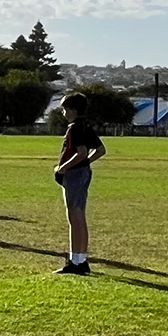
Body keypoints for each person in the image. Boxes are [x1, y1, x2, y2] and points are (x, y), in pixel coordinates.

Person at [53, 92, 106, 275]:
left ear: (73, 110)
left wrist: (62, 168)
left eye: (65, 109)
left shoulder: (74, 127)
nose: (63, 113)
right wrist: (86, 164)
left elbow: (81, 152)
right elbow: (100, 150)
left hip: (75, 175)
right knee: (80, 217)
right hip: (82, 173)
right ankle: (80, 258)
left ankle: (75, 261)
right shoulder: (85, 125)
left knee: (74, 217)